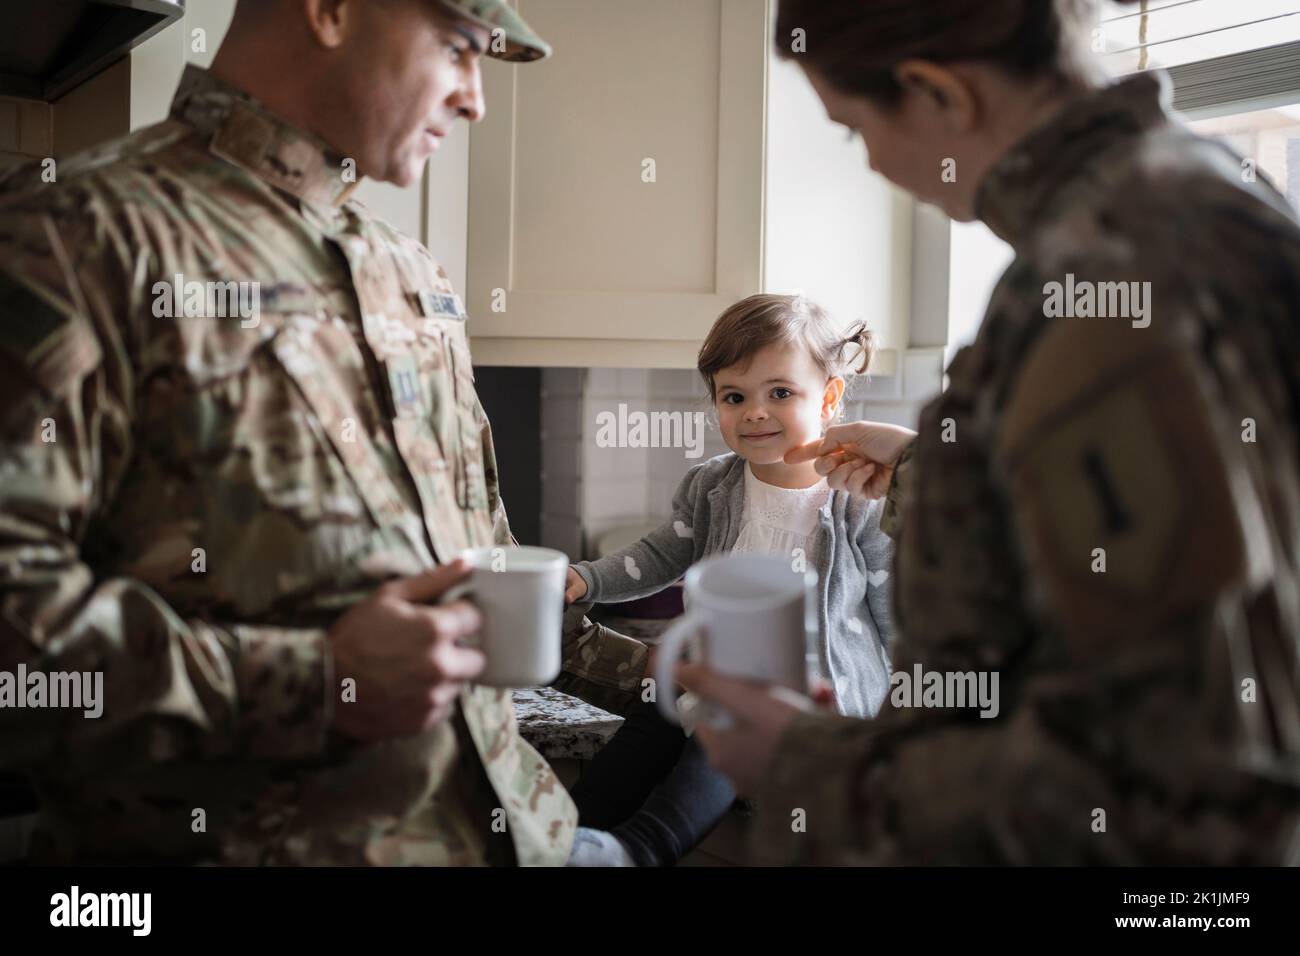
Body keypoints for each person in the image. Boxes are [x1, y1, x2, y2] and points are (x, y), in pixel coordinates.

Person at [0, 0, 651, 866]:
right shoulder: (79, 238)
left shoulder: (411, 273)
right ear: (332, 11)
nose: (476, 100)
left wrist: (654, 673)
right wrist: (313, 683)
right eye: (460, 48)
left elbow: (485, 566)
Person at [680, 0, 1300, 864]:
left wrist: (807, 766)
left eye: (857, 130)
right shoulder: (1190, 196)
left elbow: (1168, 778)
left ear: (939, 93)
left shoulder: (1105, 270)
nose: (875, 165)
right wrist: (928, 474)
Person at [562, 294, 895, 865]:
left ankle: (638, 851)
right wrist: (585, 579)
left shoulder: (856, 498)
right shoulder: (712, 484)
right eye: (733, 396)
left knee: (719, 744)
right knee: (655, 720)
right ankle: (567, 836)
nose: (754, 413)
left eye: (780, 393)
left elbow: (894, 610)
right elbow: (658, 555)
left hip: (806, 706)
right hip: (712, 676)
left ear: (830, 398)